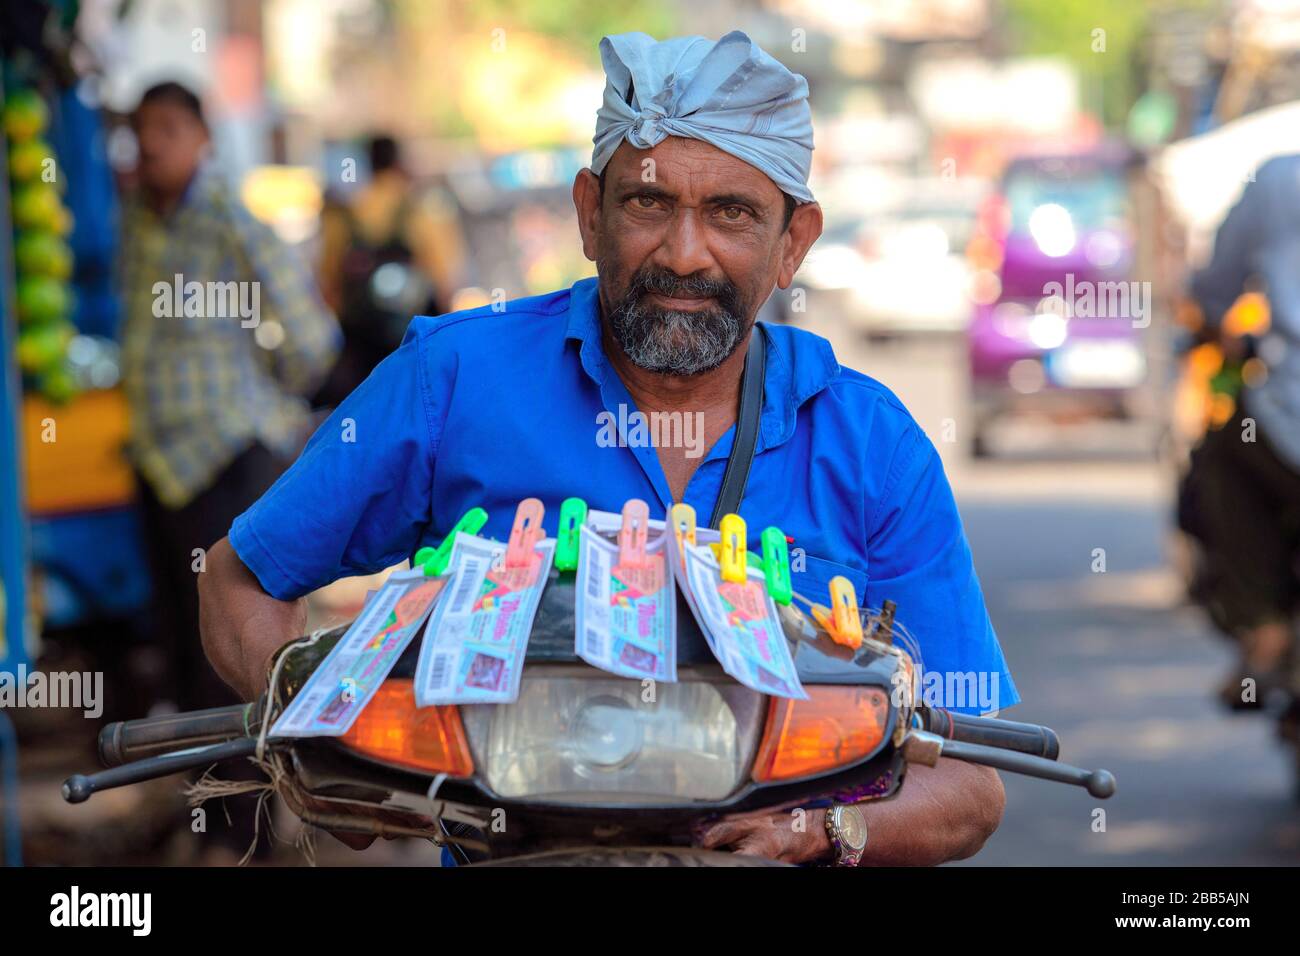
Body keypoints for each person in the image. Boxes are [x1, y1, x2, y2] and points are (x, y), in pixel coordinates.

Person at [198, 32, 1018, 866]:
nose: (684, 254)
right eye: (648, 204)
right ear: (591, 213)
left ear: (794, 243)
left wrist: (820, 831)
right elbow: (241, 576)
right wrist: (321, 745)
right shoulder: (452, 380)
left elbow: (972, 780)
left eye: (732, 213)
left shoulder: (874, 446)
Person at [120, 81, 340, 859]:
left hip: (227, 458)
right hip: (160, 463)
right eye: (141, 131)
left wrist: (265, 410)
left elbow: (312, 338)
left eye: (168, 130)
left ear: (203, 139)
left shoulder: (227, 217)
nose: (150, 145)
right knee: (183, 653)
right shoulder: (137, 219)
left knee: (234, 663)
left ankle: (250, 837)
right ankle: (204, 821)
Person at [1185, 155, 1300, 704]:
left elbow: (1212, 291)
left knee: (1224, 459)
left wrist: (1213, 325)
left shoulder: (1279, 181)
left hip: (1287, 423)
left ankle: (1264, 627)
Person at [315, 134, 465, 404]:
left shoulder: (347, 212)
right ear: (399, 162)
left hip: (358, 347)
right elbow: (445, 283)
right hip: (413, 342)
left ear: (368, 163)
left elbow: (327, 284)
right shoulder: (424, 208)